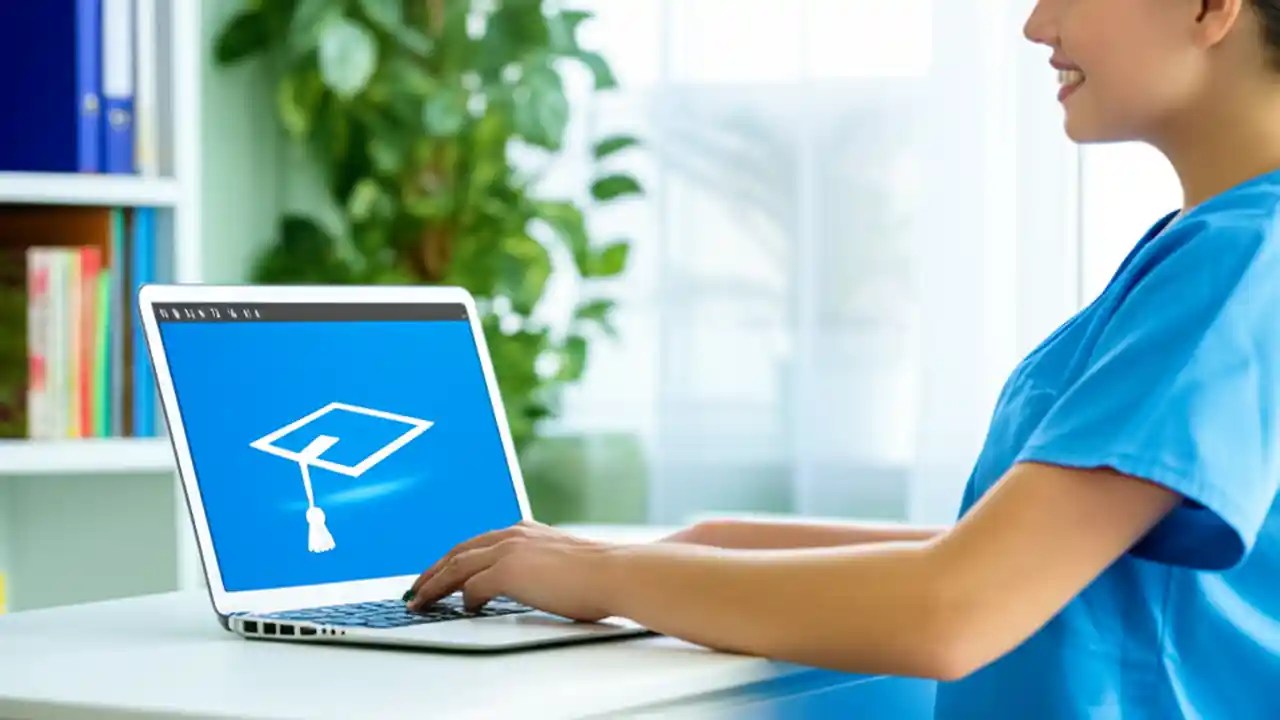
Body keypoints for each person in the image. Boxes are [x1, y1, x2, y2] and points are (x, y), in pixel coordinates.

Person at [406, 0, 1280, 716]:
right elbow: (1067, 566)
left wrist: (606, 577)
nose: (1036, 25)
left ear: (1209, 8)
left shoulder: (1240, 259)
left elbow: (957, 607)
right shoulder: (1225, 247)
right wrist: (711, 548)